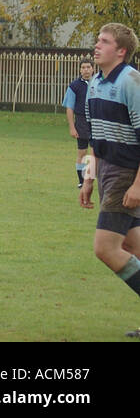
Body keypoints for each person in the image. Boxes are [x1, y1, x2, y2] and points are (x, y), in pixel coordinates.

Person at [80, 24, 140, 333]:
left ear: (121, 51)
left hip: (125, 173)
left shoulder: (131, 82)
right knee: (133, 245)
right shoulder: (94, 83)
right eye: (97, 39)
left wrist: (138, 184)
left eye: (104, 42)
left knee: (105, 248)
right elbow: (95, 138)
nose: (96, 45)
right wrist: (89, 177)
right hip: (105, 172)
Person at [64, 59, 95, 188]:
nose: (86, 70)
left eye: (88, 67)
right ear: (80, 70)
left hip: (96, 121)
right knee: (82, 153)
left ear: (93, 69)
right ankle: (81, 181)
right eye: (83, 67)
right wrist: (72, 127)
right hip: (81, 121)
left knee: (94, 153)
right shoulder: (74, 86)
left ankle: (90, 180)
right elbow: (69, 108)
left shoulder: (99, 82)